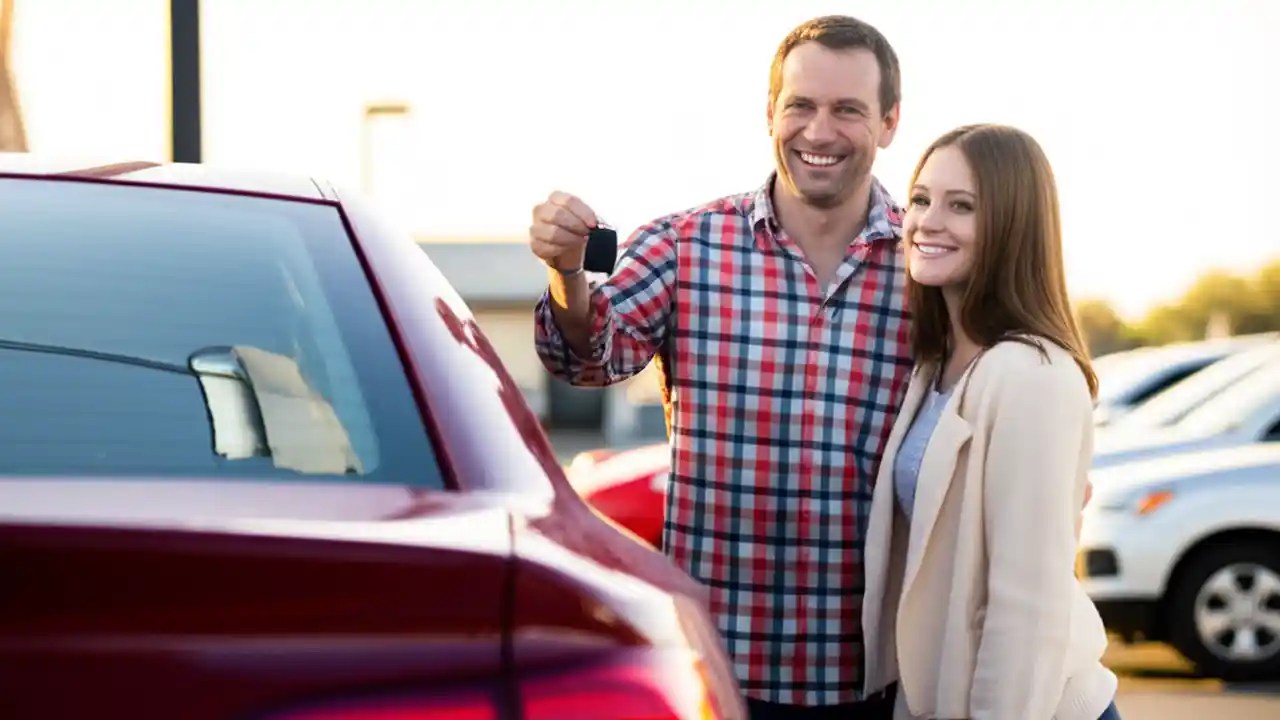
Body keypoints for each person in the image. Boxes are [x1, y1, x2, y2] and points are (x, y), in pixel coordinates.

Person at [529, 14, 910, 719]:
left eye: (847, 110)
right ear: (770, 112)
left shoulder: (929, 269)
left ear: (889, 122)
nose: (818, 132)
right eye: (800, 105)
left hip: (878, 686)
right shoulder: (685, 245)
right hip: (714, 679)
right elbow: (585, 358)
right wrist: (567, 277)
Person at [859, 124, 1122, 720]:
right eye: (922, 199)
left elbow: (1026, 606)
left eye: (963, 206)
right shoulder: (936, 363)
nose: (927, 220)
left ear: (1012, 226)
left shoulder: (1032, 374)